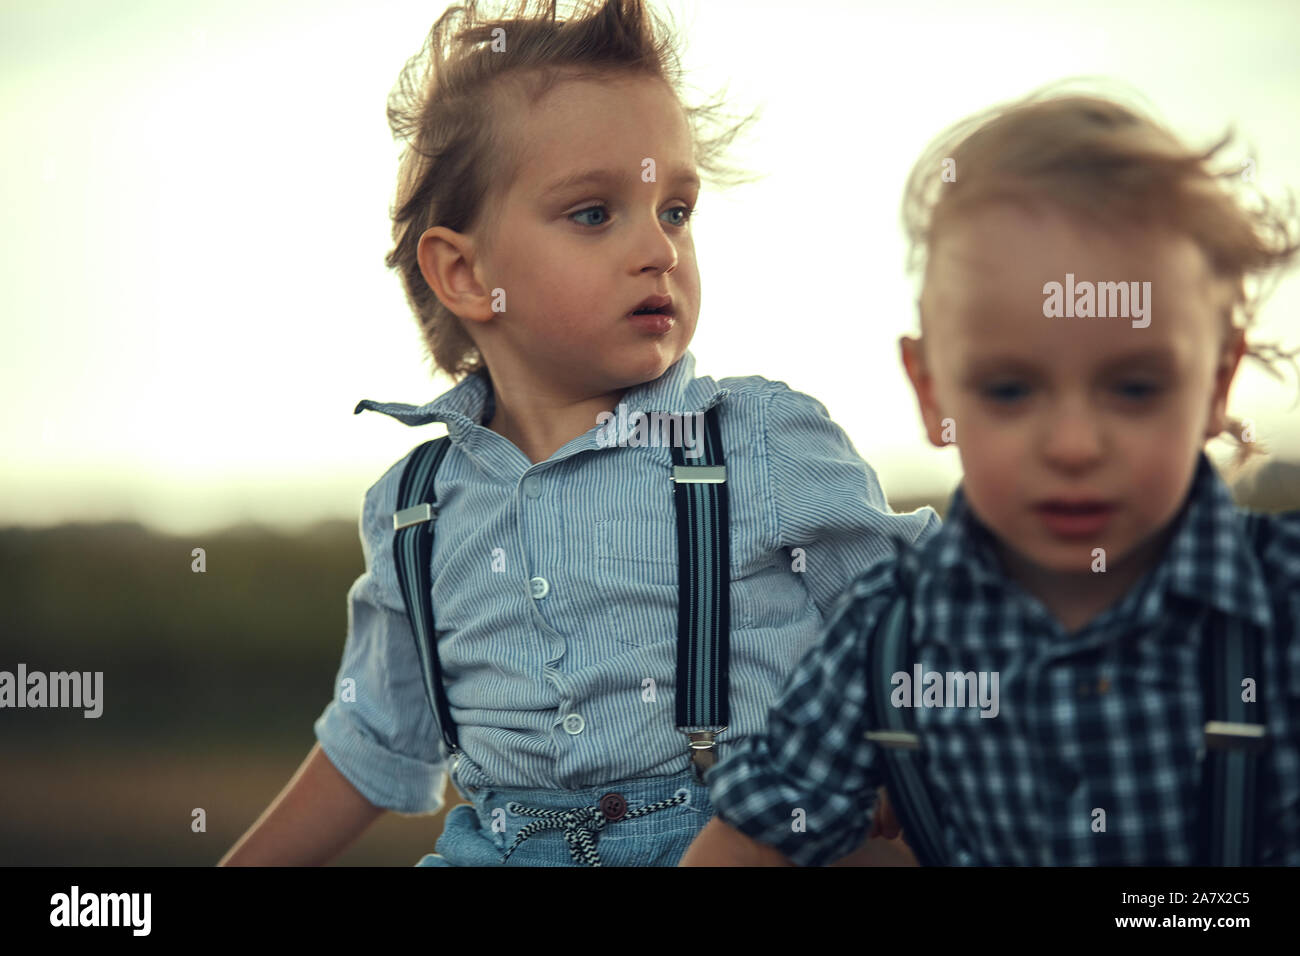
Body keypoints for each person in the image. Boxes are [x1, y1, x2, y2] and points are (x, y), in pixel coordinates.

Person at [218, 0, 937, 868]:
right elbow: (374, 734)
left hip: (729, 842)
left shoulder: (757, 442)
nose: (660, 250)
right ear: (466, 272)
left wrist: (901, 738)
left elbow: (918, 609)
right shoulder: (415, 510)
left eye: (675, 210)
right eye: (595, 214)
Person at [681, 86, 1300, 866]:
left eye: (1135, 388)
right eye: (1010, 390)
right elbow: (753, 837)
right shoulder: (892, 635)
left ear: (1216, 382)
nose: (1073, 444)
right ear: (932, 389)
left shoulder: (1281, 610)